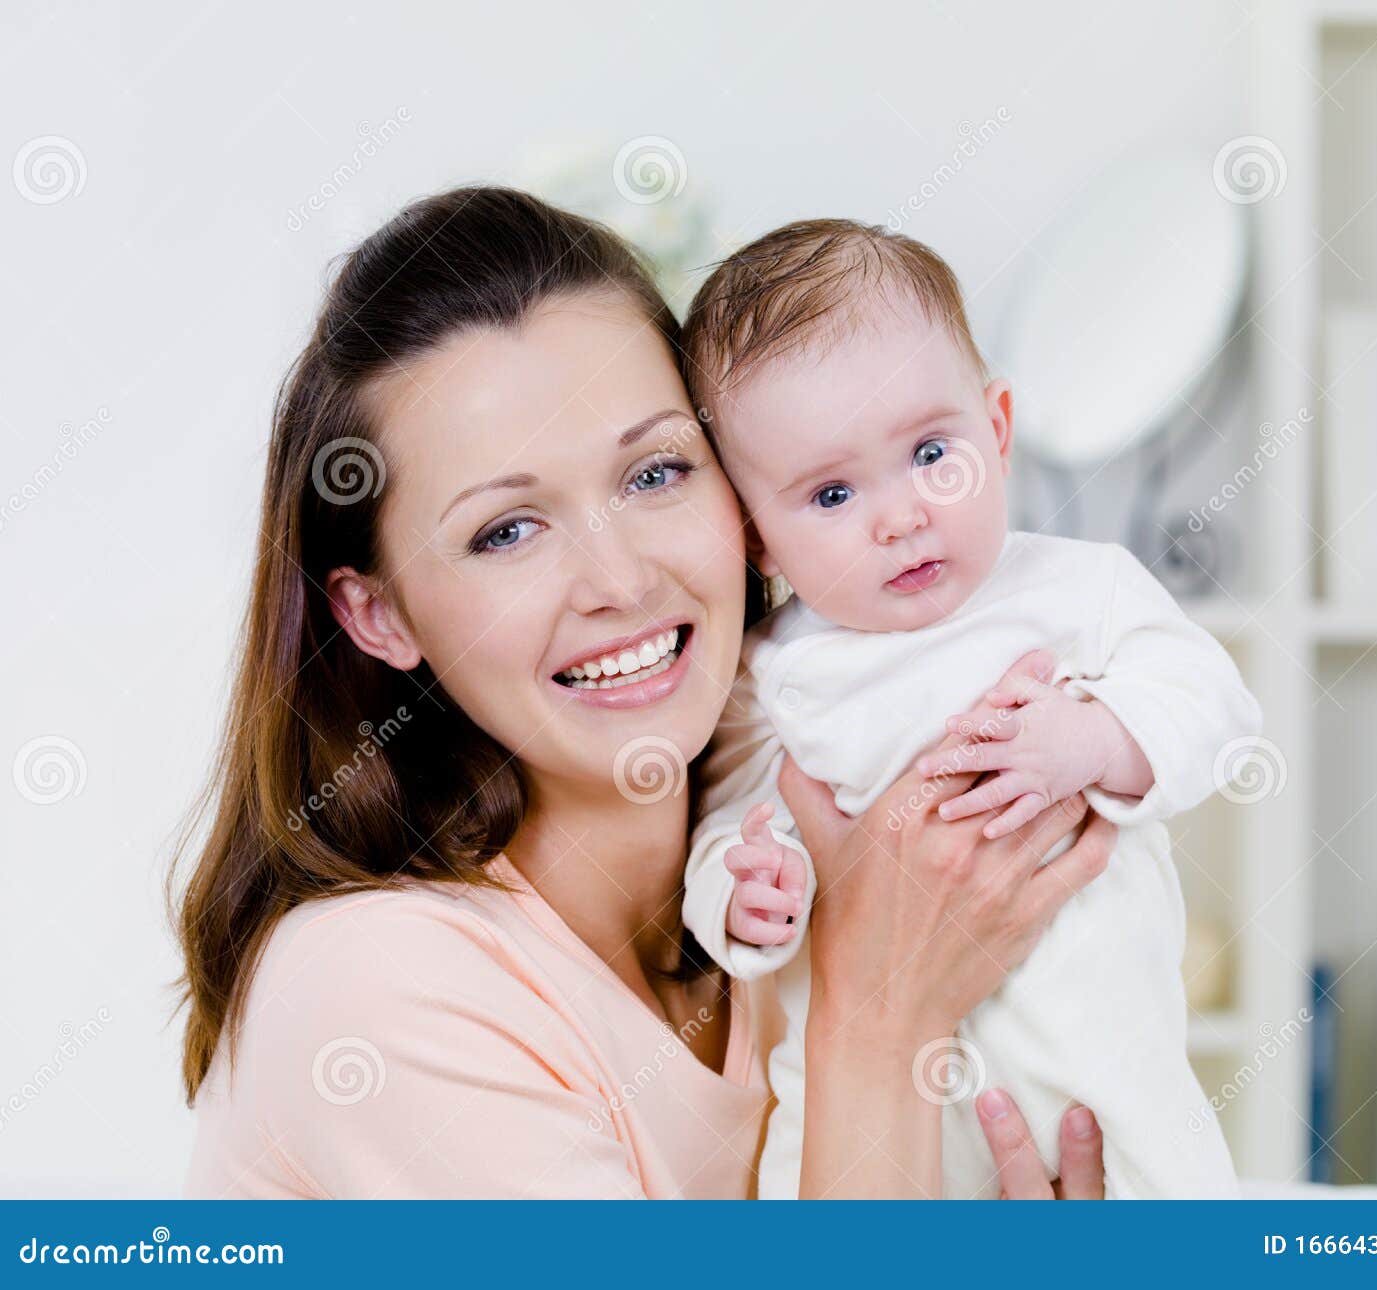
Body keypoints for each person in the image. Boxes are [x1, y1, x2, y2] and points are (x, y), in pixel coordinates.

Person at [173, 186, 1119, 1200]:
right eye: (507, 531)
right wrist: (879, 1027)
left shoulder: (782, 894)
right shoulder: (376, 991)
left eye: (655, 474)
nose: (619, 583)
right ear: (379, 615)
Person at [678, 218, 1260, 1199]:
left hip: (1099, 1061)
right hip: (876, 1101)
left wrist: (1094, 738)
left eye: (930, 452)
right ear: (758, 540)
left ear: (995, 429)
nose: (899, 514)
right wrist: (740, 893)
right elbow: (731, 819)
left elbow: (1213, 706)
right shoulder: (775, 671)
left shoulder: (1079, 589)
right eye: (829, 495)